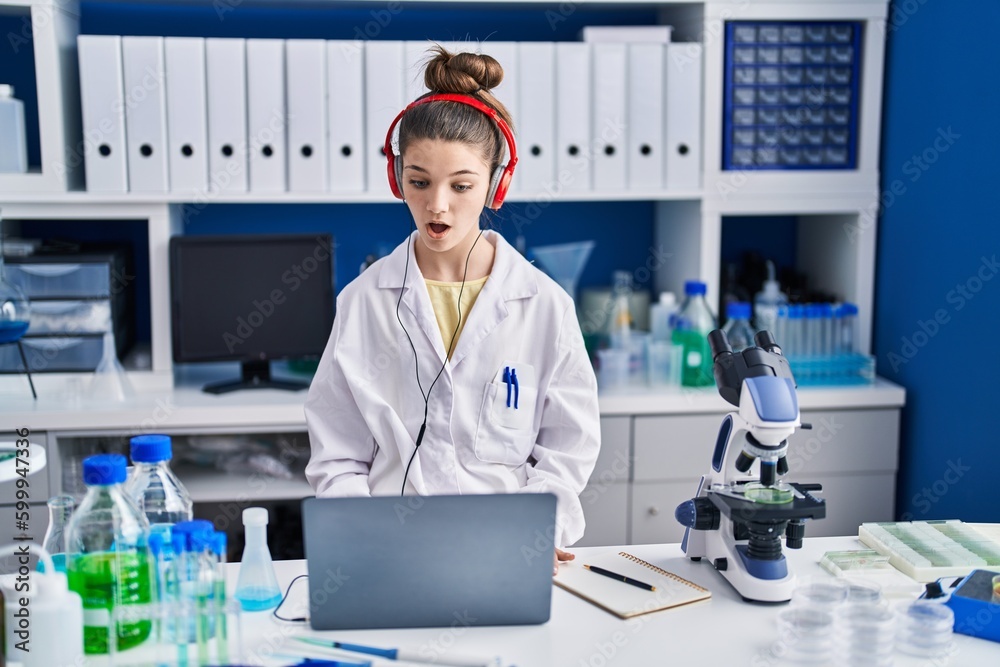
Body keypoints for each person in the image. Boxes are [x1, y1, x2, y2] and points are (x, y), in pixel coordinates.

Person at [304, 46, 600, 569]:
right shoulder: (363, 302)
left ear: (496, 183)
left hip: (505, 552)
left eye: (461, 185)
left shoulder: (545, 306)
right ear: (398, 180)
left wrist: (540, 528)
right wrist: (359, 532)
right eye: (419, 182)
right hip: (388, 554)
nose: (437, 205)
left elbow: (567, 449)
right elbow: (338, 453)